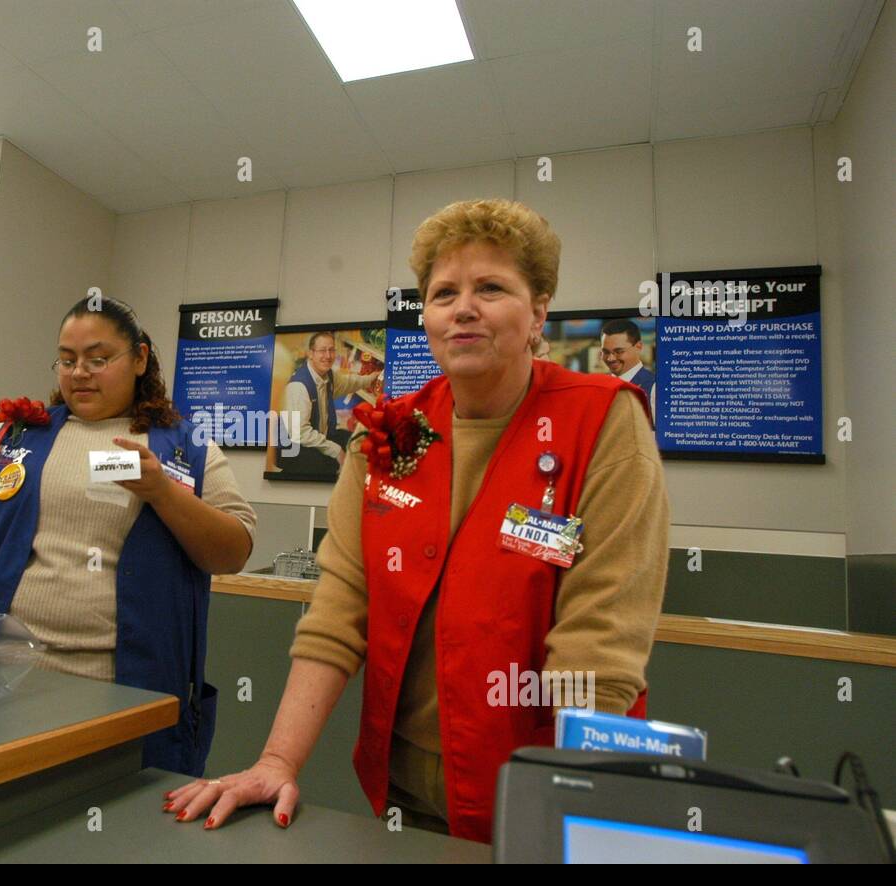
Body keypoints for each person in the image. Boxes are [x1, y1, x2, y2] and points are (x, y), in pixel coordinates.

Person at [162, 199, 670, 840]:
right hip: (404, 793)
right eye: (443, 292)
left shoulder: (603, 420)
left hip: (541, 787)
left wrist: (562, 810)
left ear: (539, 310)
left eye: (491, 288)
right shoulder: (390, 431)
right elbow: (341, 605)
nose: (463, 307)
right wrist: (277, 760)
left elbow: (600, 640)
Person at [0, 296, 257, 776]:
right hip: (0, 680)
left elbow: (232, 552)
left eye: (99, 359)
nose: (80, 373)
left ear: (139, 359)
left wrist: (163, 492)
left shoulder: (188, 447)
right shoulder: (10, 437)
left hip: (122, 690)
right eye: (68, 359)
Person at [276, 331, 380, 478]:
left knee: (355, 441)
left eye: (331, 350)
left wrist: (372, 378)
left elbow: (349, 383)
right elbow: (299, 433)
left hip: (318, 436)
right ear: (311, 353)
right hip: (293, 447)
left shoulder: (327, 375)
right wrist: (335, 450)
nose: (328, 355)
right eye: (322, 350)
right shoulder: (299, 386)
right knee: (329, 466)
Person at [600, 318, 656, 420]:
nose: (610, 358)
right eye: (606, 352)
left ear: (638, 347)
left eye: (619, 351)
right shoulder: (600, 386)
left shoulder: (654, 387)